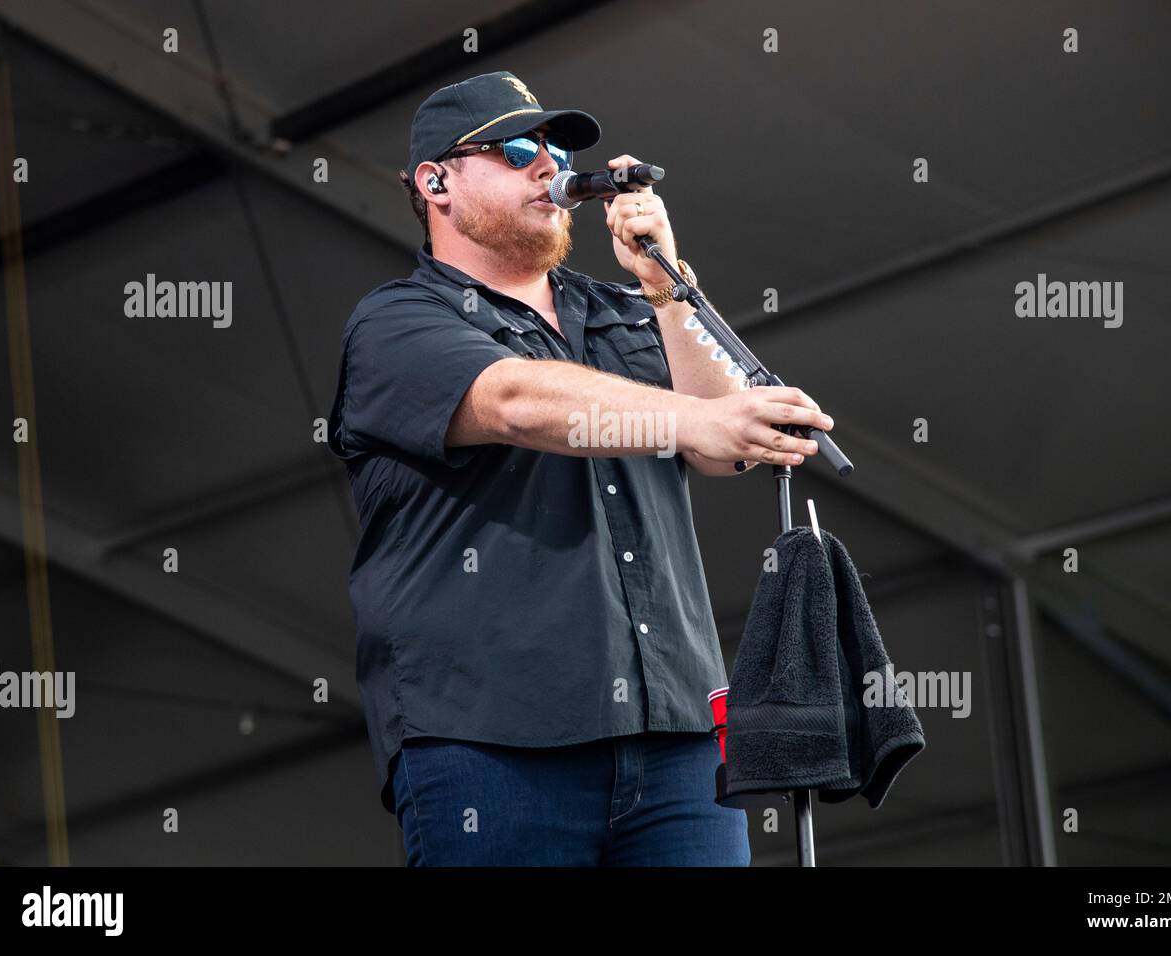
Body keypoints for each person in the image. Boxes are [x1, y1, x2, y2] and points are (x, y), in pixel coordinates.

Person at [326, 70, 833, 866]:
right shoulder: (395, 321)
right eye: (518, 148)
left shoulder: (622, 310)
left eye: (556, 149)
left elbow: (720, 447)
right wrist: (702, 415)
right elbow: (517, 401)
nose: (547, 166)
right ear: (436, 183)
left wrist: (668, 287)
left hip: (677, 738)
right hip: (491, 740)